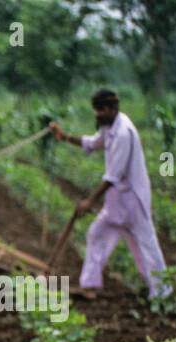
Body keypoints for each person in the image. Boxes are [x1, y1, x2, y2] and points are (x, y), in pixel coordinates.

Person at [49, 89, 169, 300]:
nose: (97, 115)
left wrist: (89, 201)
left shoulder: (124, 133)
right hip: (117, 201)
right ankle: (90, 285)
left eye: (100, 111)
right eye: (96, 111)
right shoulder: (110, 126)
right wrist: (65, 137)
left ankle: (162, 292)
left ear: (111, 109)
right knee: (96, 234)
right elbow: (93, 143)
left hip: (132, 199)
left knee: (145, 245)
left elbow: (113, 175)